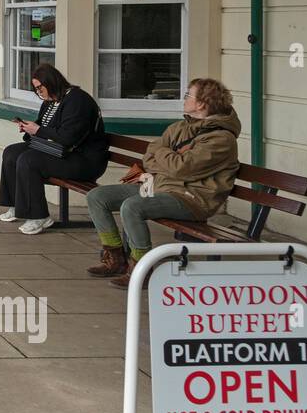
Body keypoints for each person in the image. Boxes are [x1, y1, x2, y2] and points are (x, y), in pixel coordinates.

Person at [86, 78, 241, 288]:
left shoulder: (221, 139)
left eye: (188, 95)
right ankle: (116, 257)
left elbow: (181, 168)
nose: (184, 99)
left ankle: (142, 268)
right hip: (161, 187)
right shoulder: (179, 127)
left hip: (192, 200)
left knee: (133, 206)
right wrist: (167, 159)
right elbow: (149, 158)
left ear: (202, 103)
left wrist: (162, 154)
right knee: (98, 197)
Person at [0, 63, 107, 234]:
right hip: (62, 152)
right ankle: (17, 206)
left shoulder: (77, 100)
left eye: (40, 88)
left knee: (29, 160)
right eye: (36, 90)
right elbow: (43, 127)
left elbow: (69, 137)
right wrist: (29, 128)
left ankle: (39, 216)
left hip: (84, 159)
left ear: (51, 82)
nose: (39, 93)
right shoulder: (51, 101)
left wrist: (39, 130)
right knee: (11, 152)